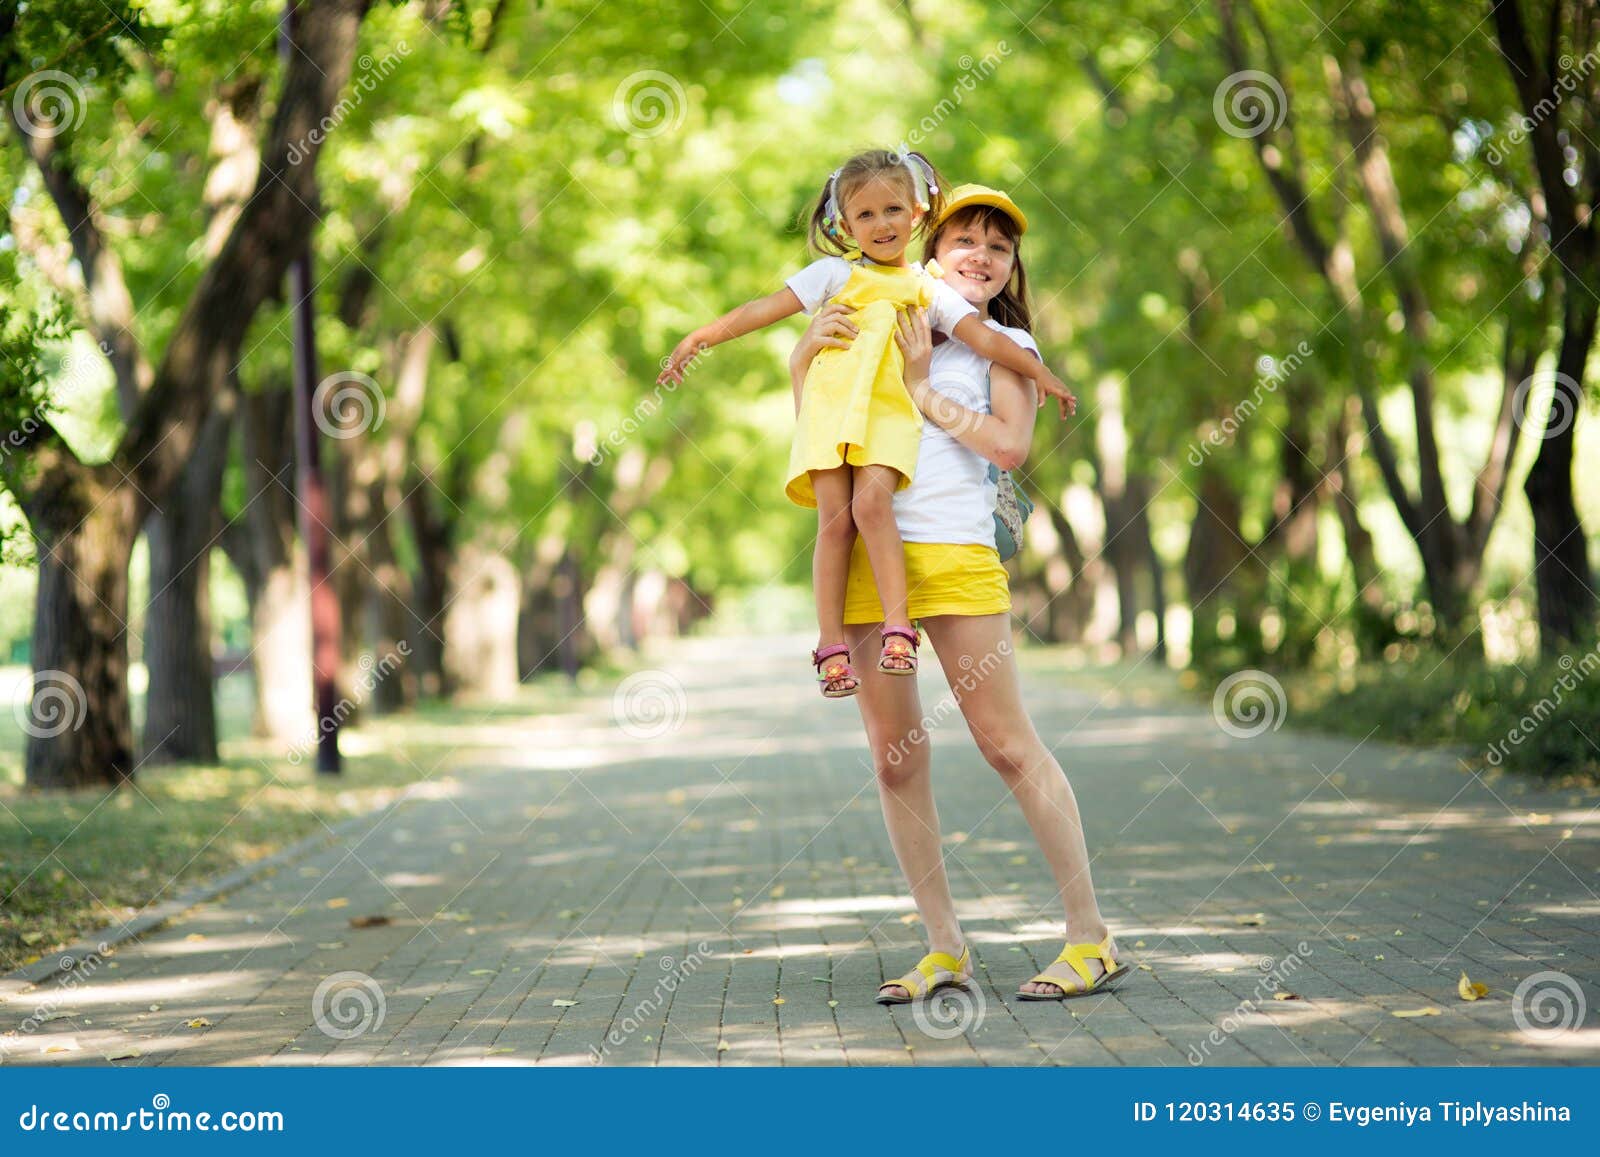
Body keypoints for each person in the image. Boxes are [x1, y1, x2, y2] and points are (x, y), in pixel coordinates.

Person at [789, 184, 1125, 1003]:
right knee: (894, 759)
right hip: (869, 565)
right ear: (929, 252)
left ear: (1011, 268)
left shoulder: (1006, 345)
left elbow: (1008, 447)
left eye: (999, 247)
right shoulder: (871, 315)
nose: (982, 255)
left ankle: (1091, 937)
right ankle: (944, 946)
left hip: (956, 557)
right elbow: (819, 434)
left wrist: (921, 387)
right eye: (965, 240)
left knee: (1006, 744)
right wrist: (802, 358)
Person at [660, 150, 1076, 699]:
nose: (881, 224)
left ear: (917, 215)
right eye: (866, 214)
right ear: (844, 225)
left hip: (885, 423)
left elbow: (985, 338)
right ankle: (830, 645)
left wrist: (1041, 372)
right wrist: (701, 337)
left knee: (872, 508)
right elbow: (764, 308)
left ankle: (898, 630)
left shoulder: (927, 291)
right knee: (834, 523)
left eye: (893, 210)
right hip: (829, 422)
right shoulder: (834, 276)